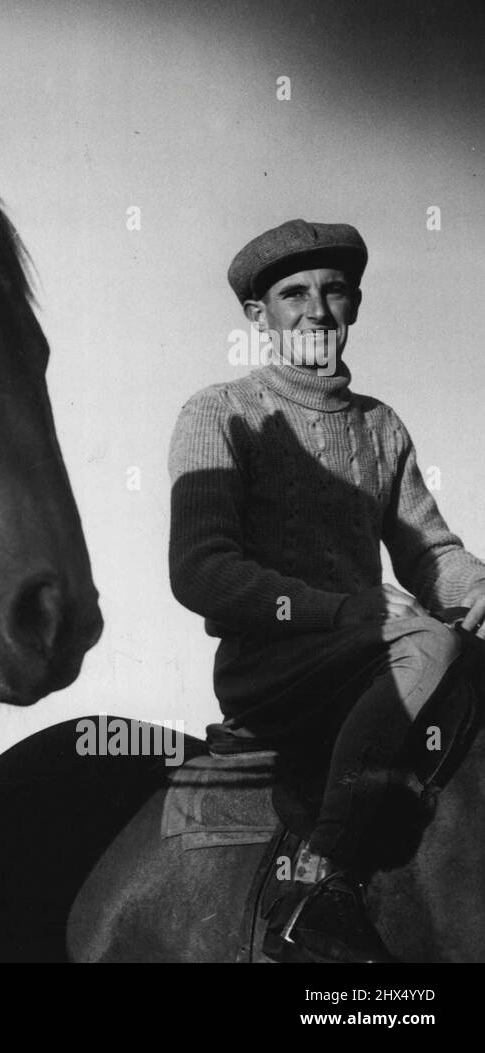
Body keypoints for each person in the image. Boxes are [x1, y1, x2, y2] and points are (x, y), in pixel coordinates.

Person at [168, 219, 485, 963]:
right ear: (258, 317)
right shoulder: (218, 413)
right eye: (292, 294)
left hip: (374, 657)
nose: (317, 309)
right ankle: (324, 882)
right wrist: (348, 608)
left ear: (356, 305)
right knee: (431, 643)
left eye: (334, 290)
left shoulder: (381, 426)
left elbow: (432, 553)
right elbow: (201, 570)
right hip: (275, 671)